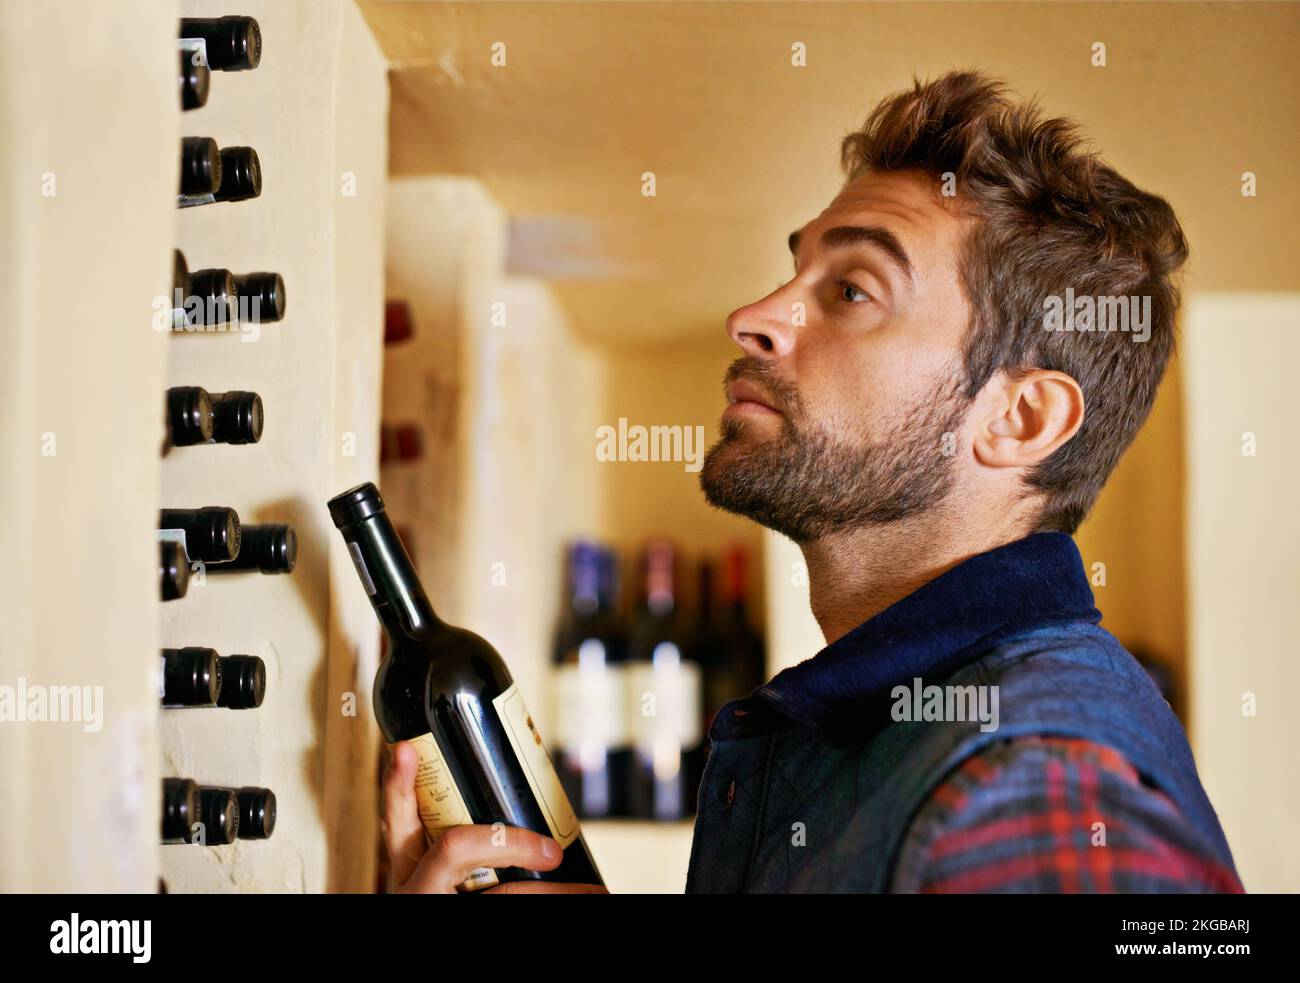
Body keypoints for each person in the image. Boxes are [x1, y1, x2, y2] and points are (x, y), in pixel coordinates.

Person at [380, 70, 1242, 893]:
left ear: (1018, 420)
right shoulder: (896, 733)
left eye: (853, 290)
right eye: (795, 272)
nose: (751, 317)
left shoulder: (1043, 790)